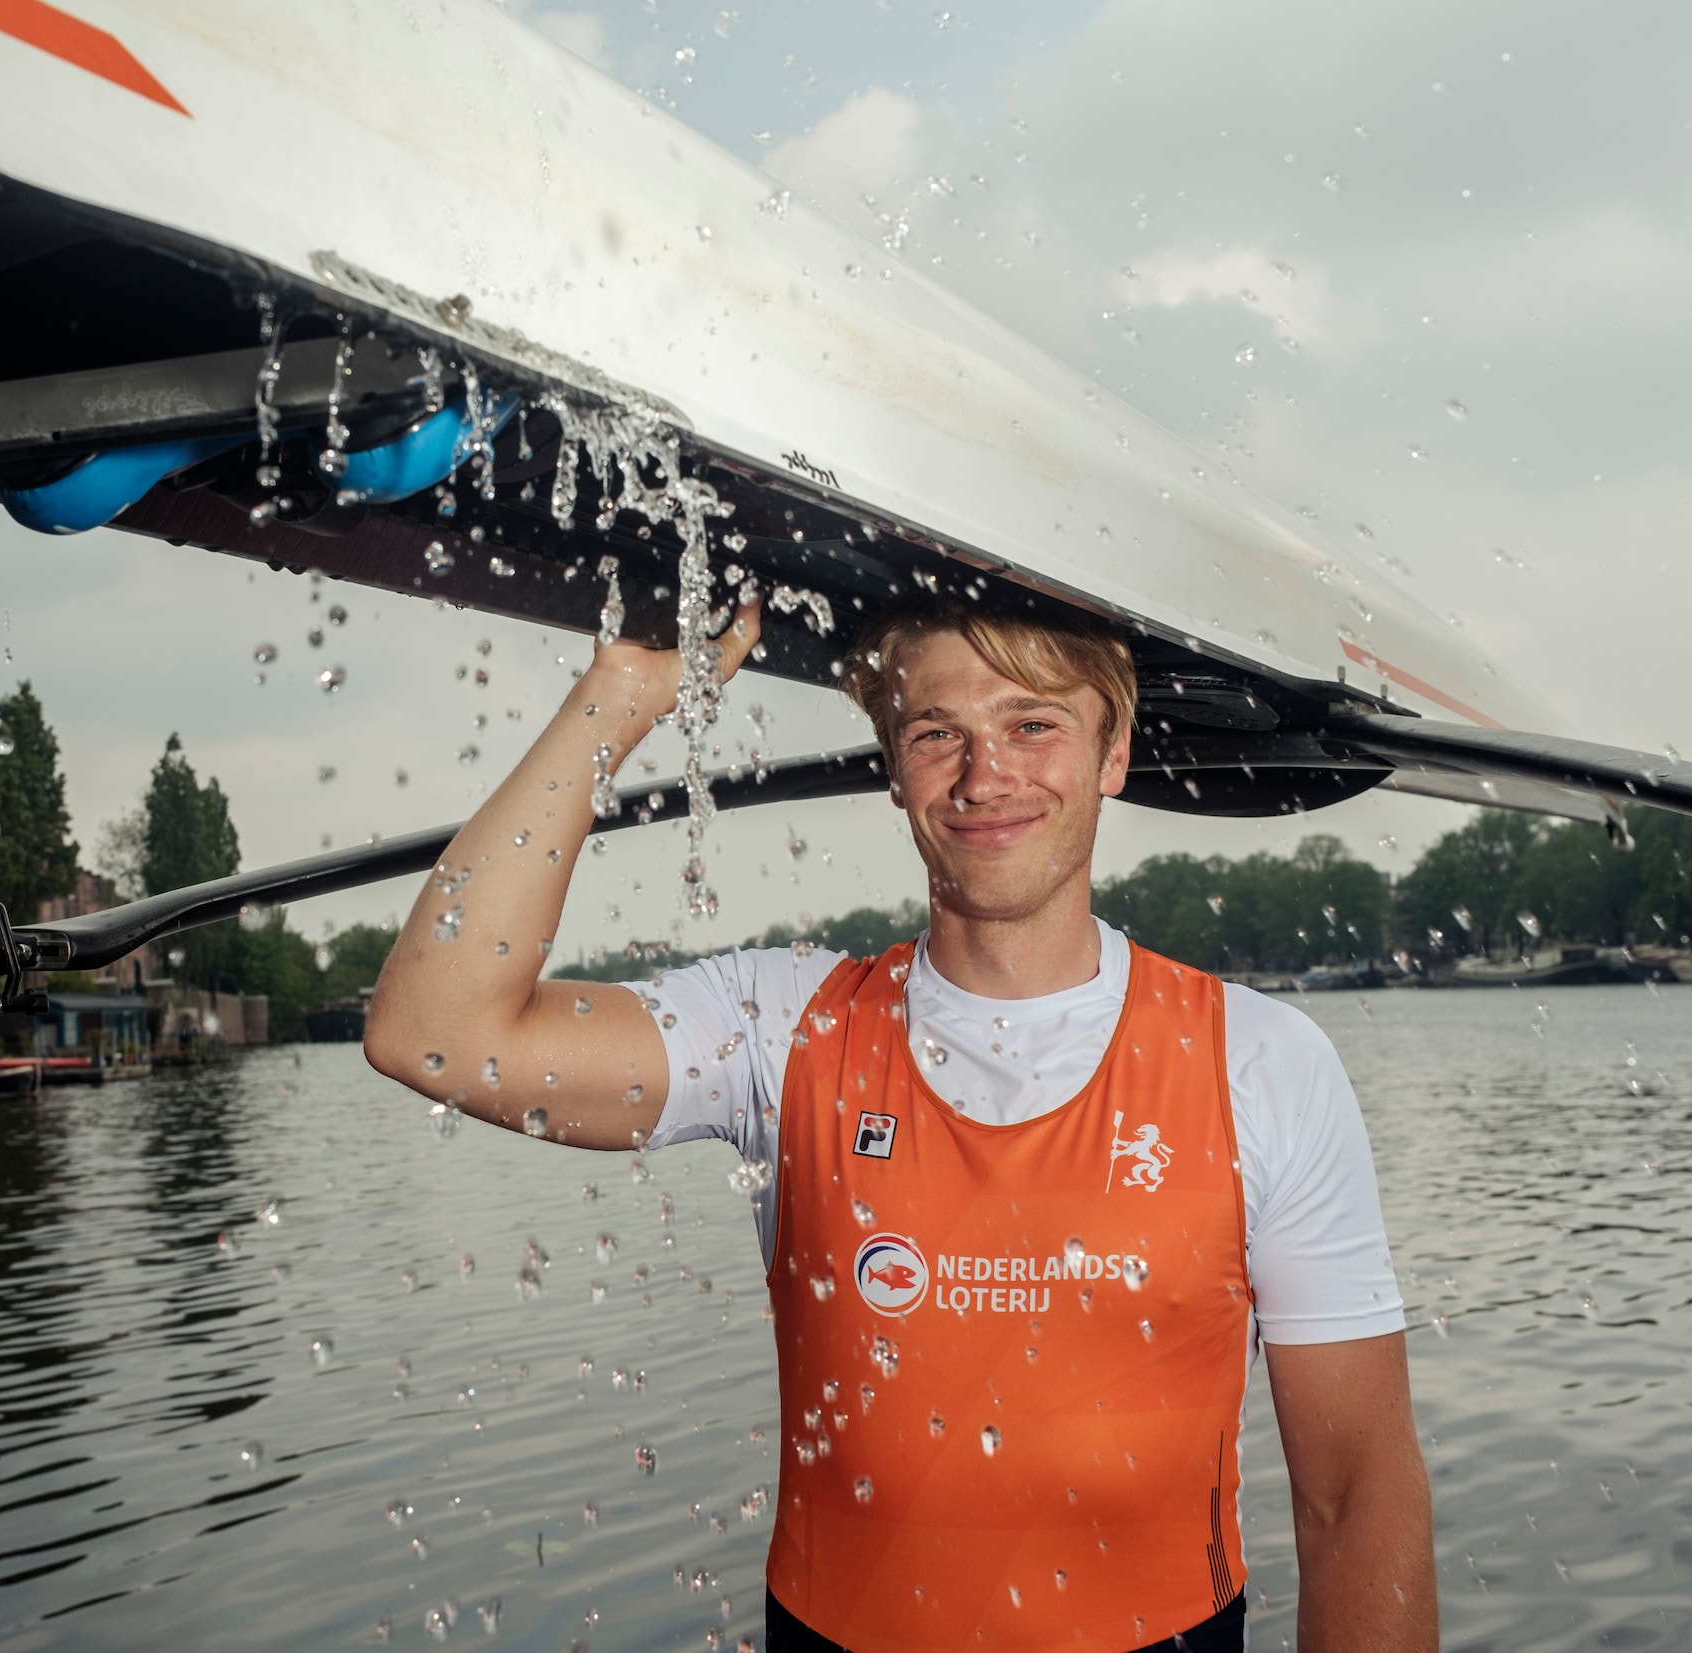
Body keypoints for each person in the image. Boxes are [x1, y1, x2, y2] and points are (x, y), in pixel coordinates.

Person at [366, 597, 1437, 1653]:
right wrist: (614, 702)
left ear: (1111, 754)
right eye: (937, 735)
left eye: (1032, 724)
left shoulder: (1259, 1063)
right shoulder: (777, 1029)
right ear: (892, 770)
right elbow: (435, 1031)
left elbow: (1356, 1495)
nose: (986, 776)